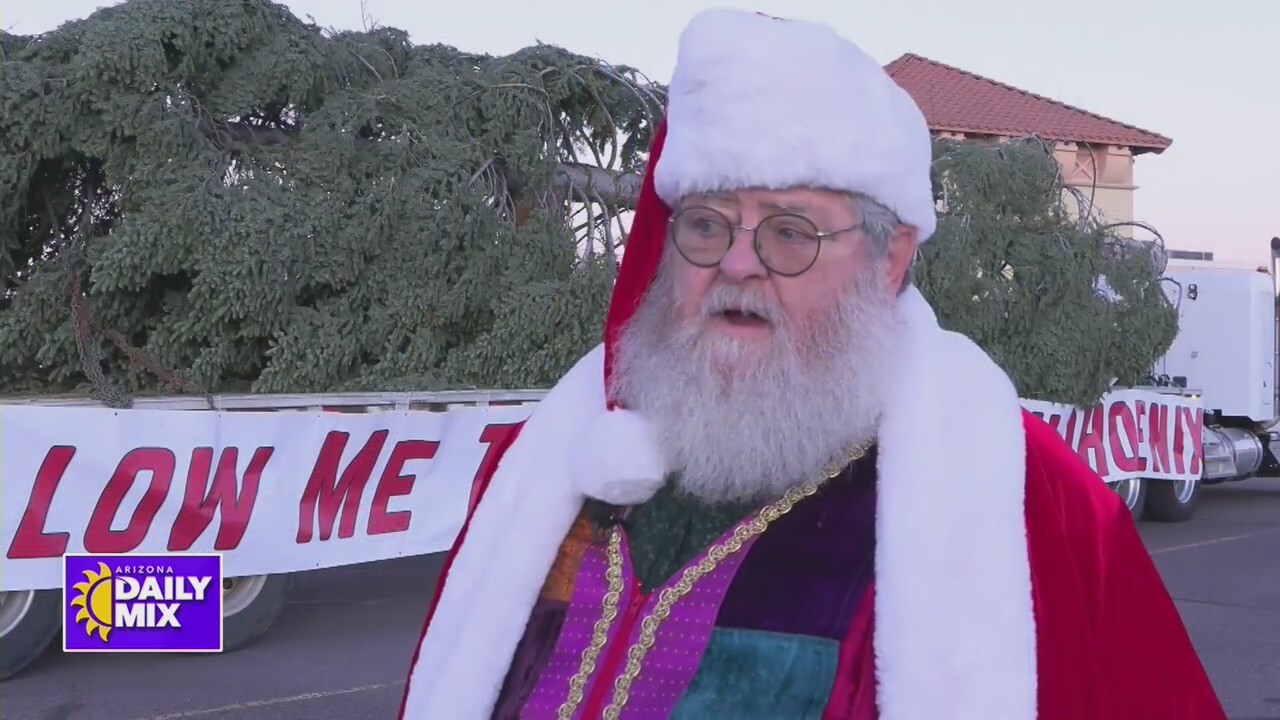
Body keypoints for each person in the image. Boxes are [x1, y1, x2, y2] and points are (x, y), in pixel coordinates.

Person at [398, 9, 1226, 720]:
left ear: (890, 258)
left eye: (790, 231)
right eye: (706, 225)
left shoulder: (1028, 498)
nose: (737, 264)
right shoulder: (548, 474)